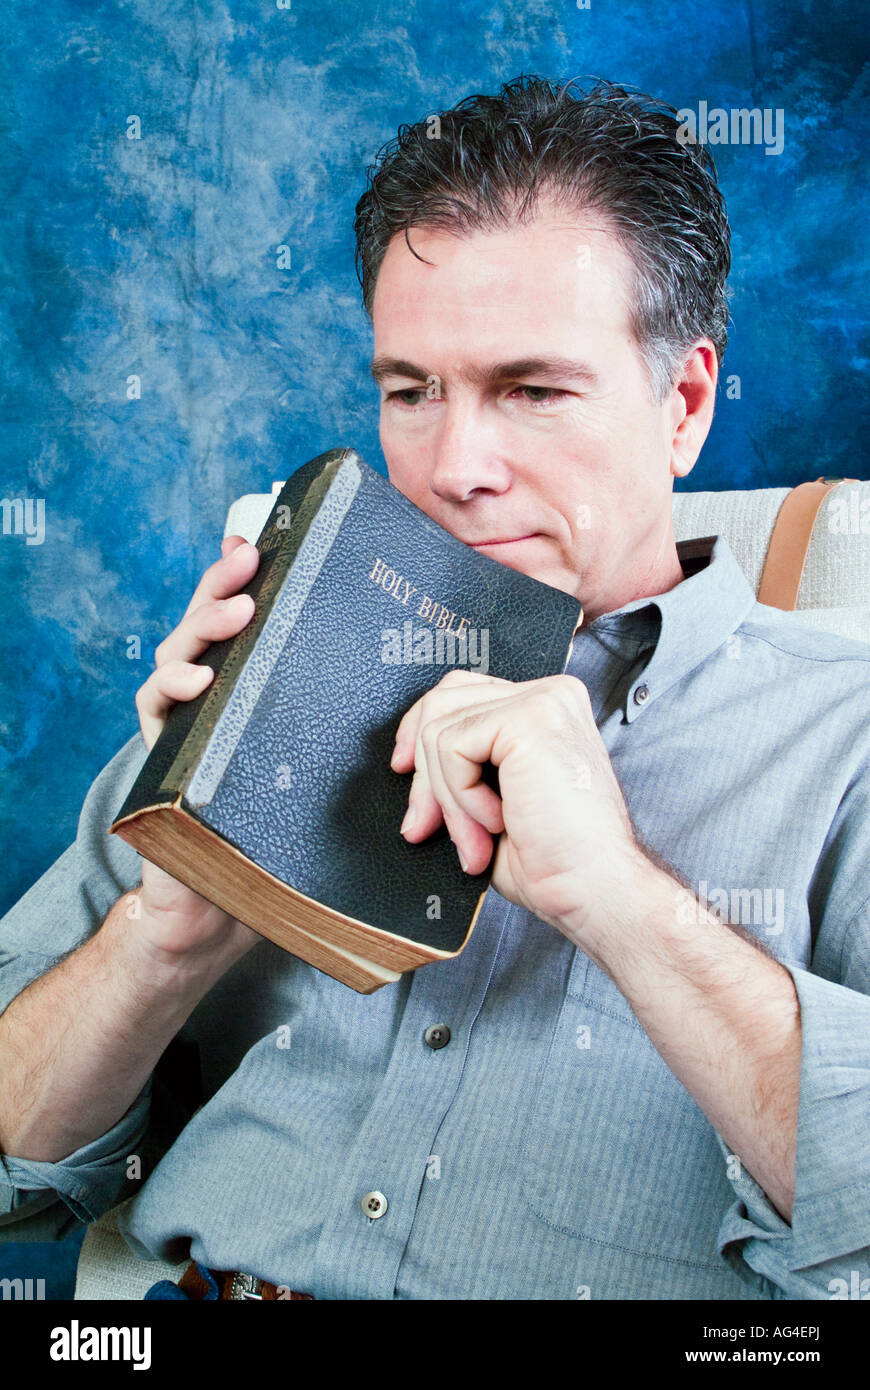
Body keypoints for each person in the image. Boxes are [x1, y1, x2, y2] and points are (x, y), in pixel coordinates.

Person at [1, 75, 868, 1301]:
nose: (456, 468)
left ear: (682, 405)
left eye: (533, 391)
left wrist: (620, 902)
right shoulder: (249, 672)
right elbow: (12, 1181)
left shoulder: (845, 739)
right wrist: (163, 935)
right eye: (411, 391)